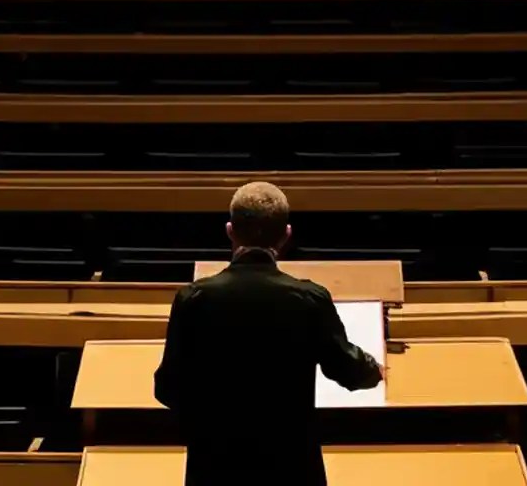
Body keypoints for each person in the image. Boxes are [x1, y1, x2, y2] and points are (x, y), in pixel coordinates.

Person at [154, 181, 384, 486]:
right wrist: (375, 368)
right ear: (286, 235)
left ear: (230, 231)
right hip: (291, 467)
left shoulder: (193, 299)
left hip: (214, 466)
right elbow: (349, 370)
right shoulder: (309, 298)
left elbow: (167, 388)